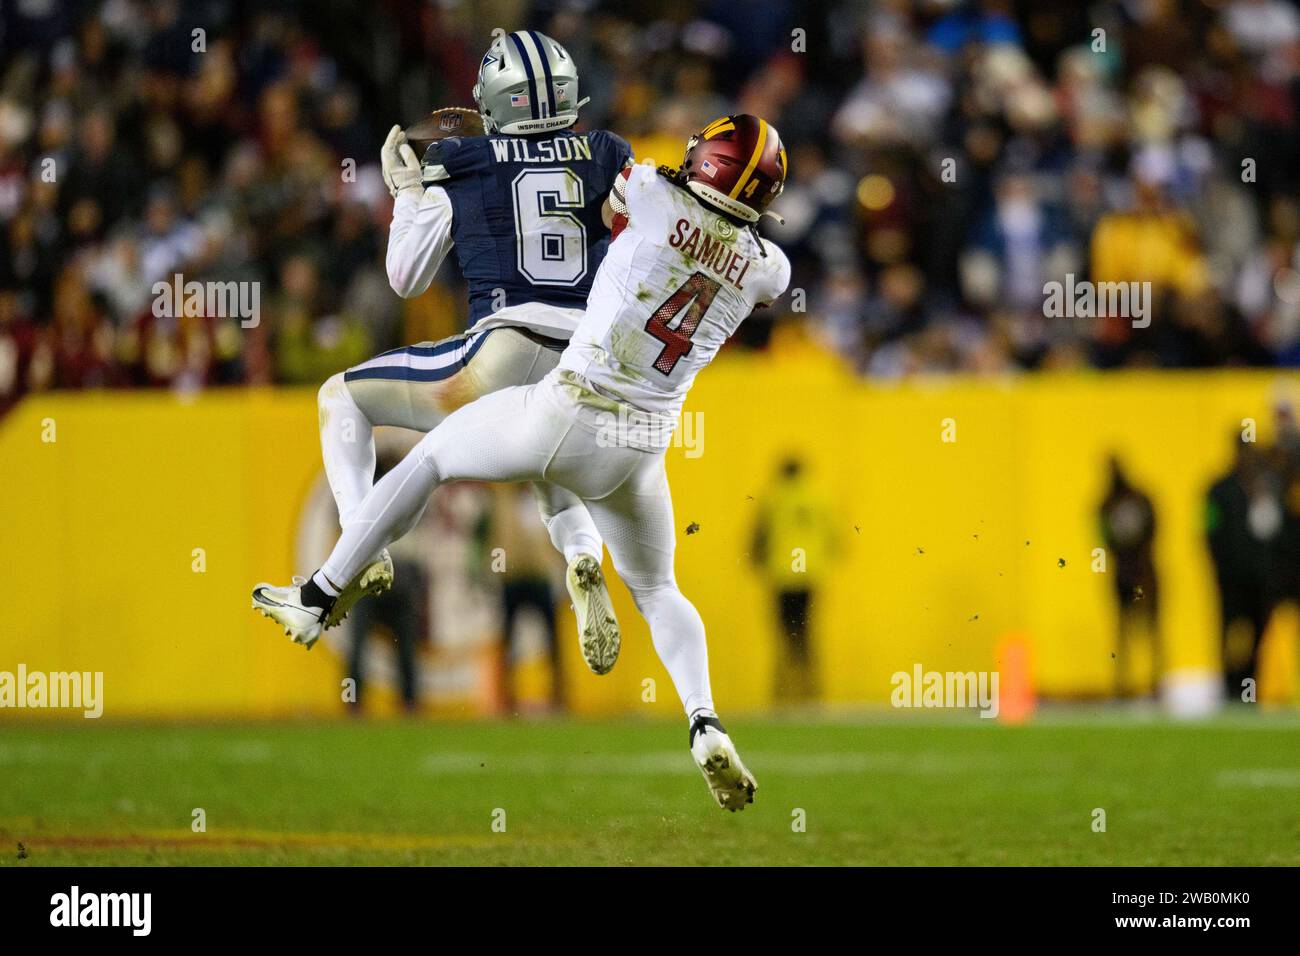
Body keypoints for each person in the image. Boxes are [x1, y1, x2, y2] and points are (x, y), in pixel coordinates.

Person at [254, 113, 792, 810]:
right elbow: (737, 252)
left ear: (710, 159)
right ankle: (703, 720)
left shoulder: (653, 189)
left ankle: (320, 593)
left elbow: (599, 206)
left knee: (431, 457)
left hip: (572, 408)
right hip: (643, 445)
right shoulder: (767, 269)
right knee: (659, 591)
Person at [309, 30, 629, 676]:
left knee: (339, 397)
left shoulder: (464, 159)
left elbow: (406, 277)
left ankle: (358, 540)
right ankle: (581, 557)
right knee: (550, 472)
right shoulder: (605, 152)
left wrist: (407, 194)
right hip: (590, 359)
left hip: (504, 347)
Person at [750, 456, 836, 703]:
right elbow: (835, 535)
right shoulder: (820, 496)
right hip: (810, 574)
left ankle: (782, 693)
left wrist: (756, 561)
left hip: (782, 574)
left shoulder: (773, 496)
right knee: (807, 633)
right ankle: (811, 692)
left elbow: (759, 535)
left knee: (784, 634)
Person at [1098, 455, 1160, 697]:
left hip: (1141, 571)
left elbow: (1152, 530)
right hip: (1124, 572)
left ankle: (1154, 682)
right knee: (1122, 629)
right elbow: (1103, 536)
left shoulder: (1132, 500)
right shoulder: (1107, 504)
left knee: (1150, 628)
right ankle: (1123, 683)